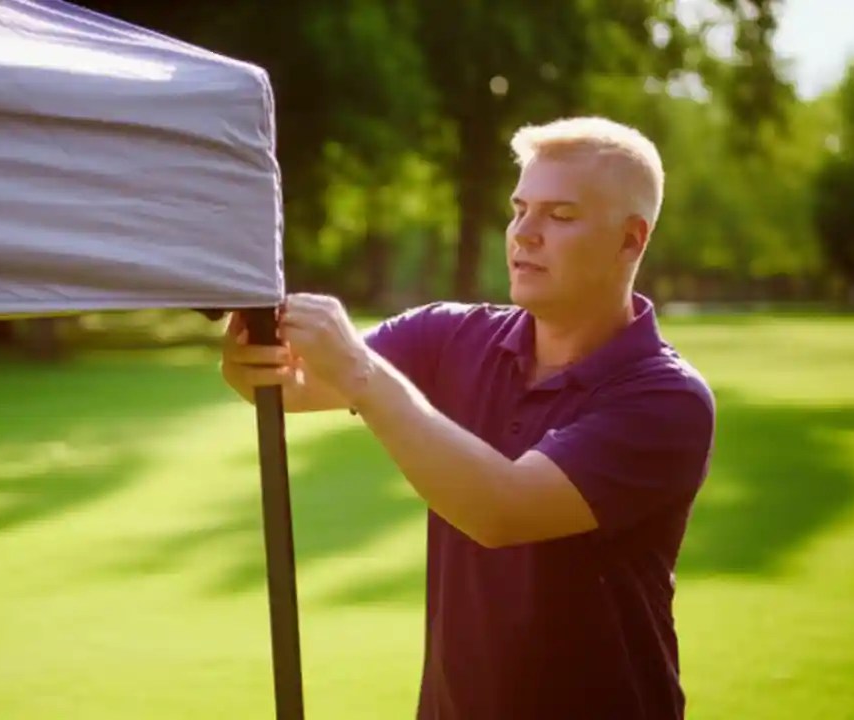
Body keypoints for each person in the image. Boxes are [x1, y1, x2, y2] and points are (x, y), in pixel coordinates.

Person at [220, 116, 716, 719]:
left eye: (560, 216)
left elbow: (502, 510)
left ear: (631, 239)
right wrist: (251, 344)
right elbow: (289, 383)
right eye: (519, 209)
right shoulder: (449, 333)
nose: (525, 234)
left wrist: (362, 374)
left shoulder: (666, 398)